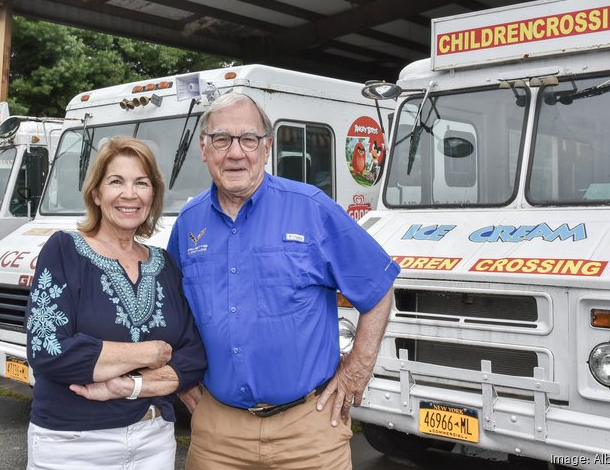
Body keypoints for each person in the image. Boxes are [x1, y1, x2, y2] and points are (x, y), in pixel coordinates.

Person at [167, 93, 399, 469]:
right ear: (204, 147)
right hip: (217, 436)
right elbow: (173, 314)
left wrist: (357, 368)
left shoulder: (312, 207)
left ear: (267, 147)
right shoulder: (189, 224)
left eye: (249, 139)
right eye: (223, 139)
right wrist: (185, 383)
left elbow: (378, 287)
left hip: (309, 431)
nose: (236, 153)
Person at [25, 137, 206, 470]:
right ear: (96, 193)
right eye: (116, 182)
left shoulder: (164, 264)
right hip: (73, 444)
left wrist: (128, 385)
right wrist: (151, 353)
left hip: (153, 438)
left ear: (153, 195)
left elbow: (193, 356)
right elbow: (48, 350)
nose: (130, 194)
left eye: (141, 183)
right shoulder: (64, 250)